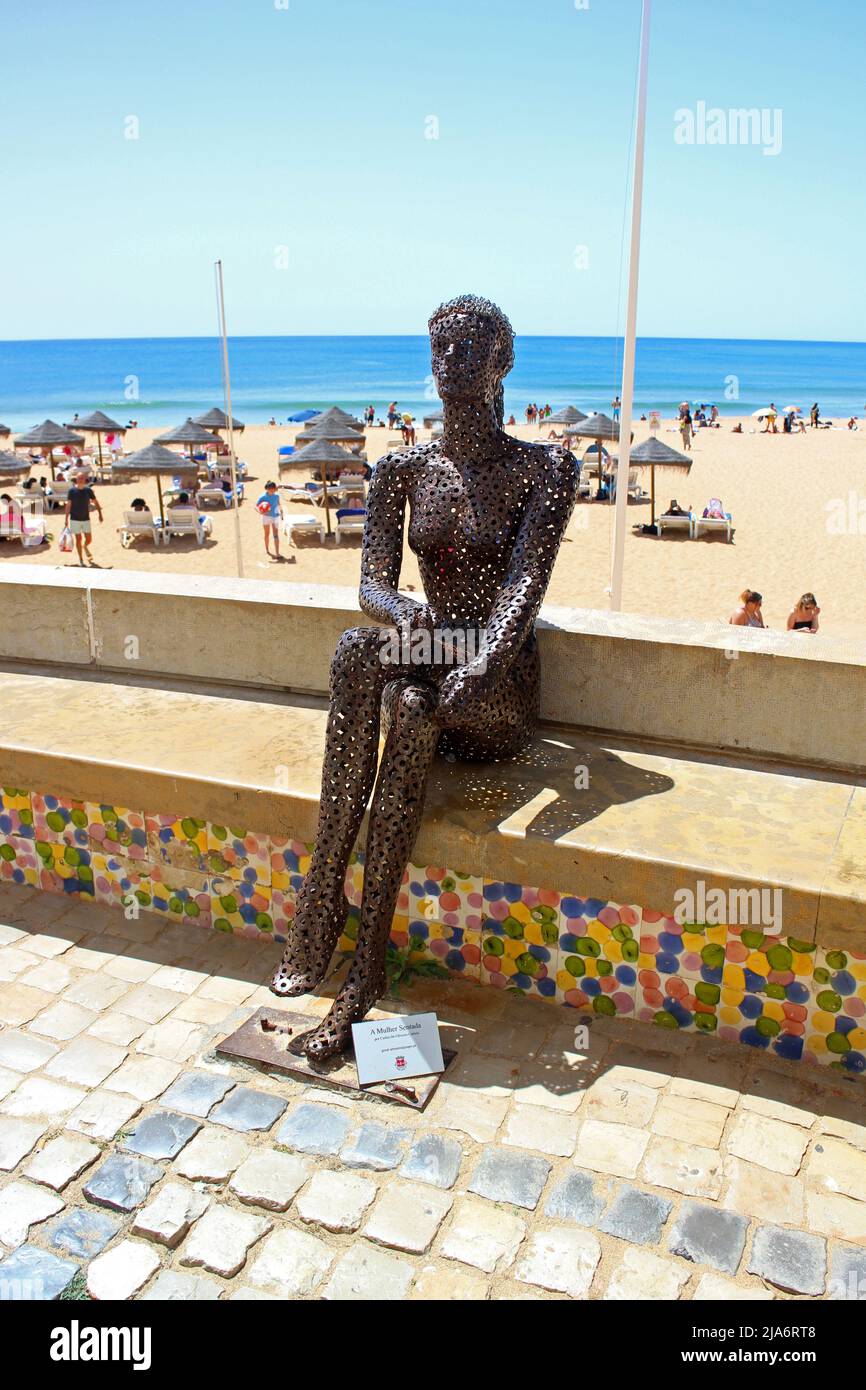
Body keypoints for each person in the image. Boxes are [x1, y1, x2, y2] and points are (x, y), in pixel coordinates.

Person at [269, 294, 577, 1057]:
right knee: (370, 663)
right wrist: (401, 608)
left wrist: (482, 661)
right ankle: (328, 892)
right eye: (439, 350)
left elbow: (522, 590)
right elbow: (370, 584)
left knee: (412, 701)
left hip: (498, 687)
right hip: (437, 654)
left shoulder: (545, 468)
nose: (450, 366)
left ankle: (361, 972)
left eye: (469, 351)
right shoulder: (404, 469)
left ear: (502, 364)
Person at [64, 471, 103, 565]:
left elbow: (96, 502)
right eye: (79, 478)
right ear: (76, 480)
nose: (80, 480)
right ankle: (81, 559)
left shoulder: (88, 491)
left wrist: (100, 514)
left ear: (85, 480)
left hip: (86, 518)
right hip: (74, 519)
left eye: (82, 478)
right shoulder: (71, 491)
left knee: (89, 539)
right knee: (78, 539)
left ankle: (85, 547)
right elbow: (68, 505)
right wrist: (66, 519)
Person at [257, 480, 283, 559]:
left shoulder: (277, 496)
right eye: (269, 488)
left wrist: (281, 512)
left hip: (275, 517)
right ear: (267, 489)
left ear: (275, 489)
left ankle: (277, 553)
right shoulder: (262, 497)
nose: (271, 490)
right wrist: (261, 512)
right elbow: (256, 506)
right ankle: (267, 550)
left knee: (276, 535)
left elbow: (278, 504)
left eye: (272, 488)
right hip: (266, 517)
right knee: (267, 534)